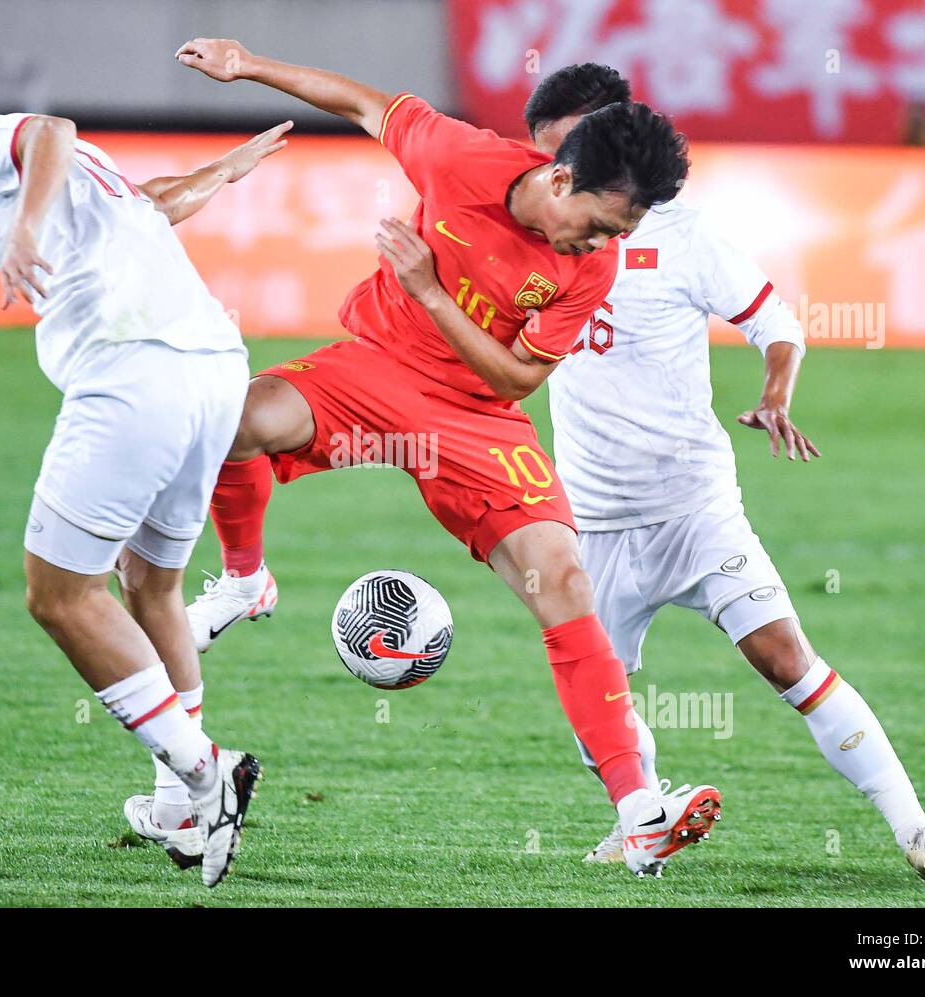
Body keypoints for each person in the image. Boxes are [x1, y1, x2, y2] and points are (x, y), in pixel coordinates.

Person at [175, 36, 719, 876]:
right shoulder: (459, 155)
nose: (599, 246)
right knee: (231, 420)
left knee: (564, 581)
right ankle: (246, 577)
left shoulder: (593, 267)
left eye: (621, 232)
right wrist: (248, 66)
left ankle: (639, 808)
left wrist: (430, 288)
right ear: (562, 179)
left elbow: (516, 376)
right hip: (375, 368)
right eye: (601, 225)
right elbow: (362, 101)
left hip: (477, 417)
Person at [525, 64, 925, 885]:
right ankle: (643, 817)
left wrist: (775, 392)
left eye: (563, 150)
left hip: (694, 506)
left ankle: (918, 829)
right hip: (588, 520)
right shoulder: (530, 224)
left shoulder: (683, 237)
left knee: (785, 657)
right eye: (543, 154)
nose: (550, 172)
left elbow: (774, 318)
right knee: (597, 699)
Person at [0, 106, 292, 887]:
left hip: (132, 372)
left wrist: (21, 229)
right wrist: (223, 170)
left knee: (59, 595)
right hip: (214, 370)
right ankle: (180, 807)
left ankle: (204, 770)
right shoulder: (88, 187)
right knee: (151, 584)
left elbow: (48, 127)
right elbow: (154, 202)